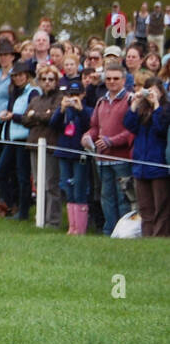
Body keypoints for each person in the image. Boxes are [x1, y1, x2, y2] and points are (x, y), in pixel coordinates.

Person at [87, 64, 134, 235]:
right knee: (106, 197)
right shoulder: (101, 101)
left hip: (122, 159)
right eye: (108, 78)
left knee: (124, 198)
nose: (112, 82)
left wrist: (111, 141)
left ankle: (124, 232)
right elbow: (94, 126)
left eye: (116, 78)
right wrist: (88, 137)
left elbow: (131, 130)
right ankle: (110, 231)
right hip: (102, 159)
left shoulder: (130, 100)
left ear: (123, 80)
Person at [122, 73, 170, 237]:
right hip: (141, 164)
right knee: (145, 207)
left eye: (155, 91)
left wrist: (156, 105)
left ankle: (160, 237)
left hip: (158, 166)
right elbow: (129, 125)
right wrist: (134, 105)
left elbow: (161, 129)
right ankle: (147, 237)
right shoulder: (142, 110)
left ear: (162, 93)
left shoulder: (165, 110)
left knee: (161, 207)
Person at [0, 61, 40, 220]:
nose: (18, 78)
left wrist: (12, 116)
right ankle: (10, 205)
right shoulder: (15, 92)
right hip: (12, 137)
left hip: (25, 138)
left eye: (21, 75)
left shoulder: (33, 92)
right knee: (0, 172)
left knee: (23, 176)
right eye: (15, 75)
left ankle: (24, 212)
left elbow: (32, 117)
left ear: (27, 76)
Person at [21, 63, 63, 227]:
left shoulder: (59, 98)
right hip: (34, 144)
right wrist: (39, 116)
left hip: (51, 144)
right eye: (44, 79)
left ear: (56, 81)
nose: (47, 82)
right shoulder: (36, 99)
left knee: (51, 183)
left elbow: (52, 117)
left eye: (51, 79)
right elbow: (25, 119)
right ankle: (40, 218)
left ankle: (53, 221)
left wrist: (35, 116)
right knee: (38, 183)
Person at [51, 83, 93, 234]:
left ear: (82, 95)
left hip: (79, 154)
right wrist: (61, 109)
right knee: (68, 188)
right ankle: (72, 226)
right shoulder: (64, 111)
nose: (72, 98)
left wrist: (80, 110)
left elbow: (91, 124)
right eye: (70, 95)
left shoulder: (87, 110)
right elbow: (53, 124)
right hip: (64, 152)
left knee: (79, 188)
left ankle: (80, 228)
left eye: (76, 95)